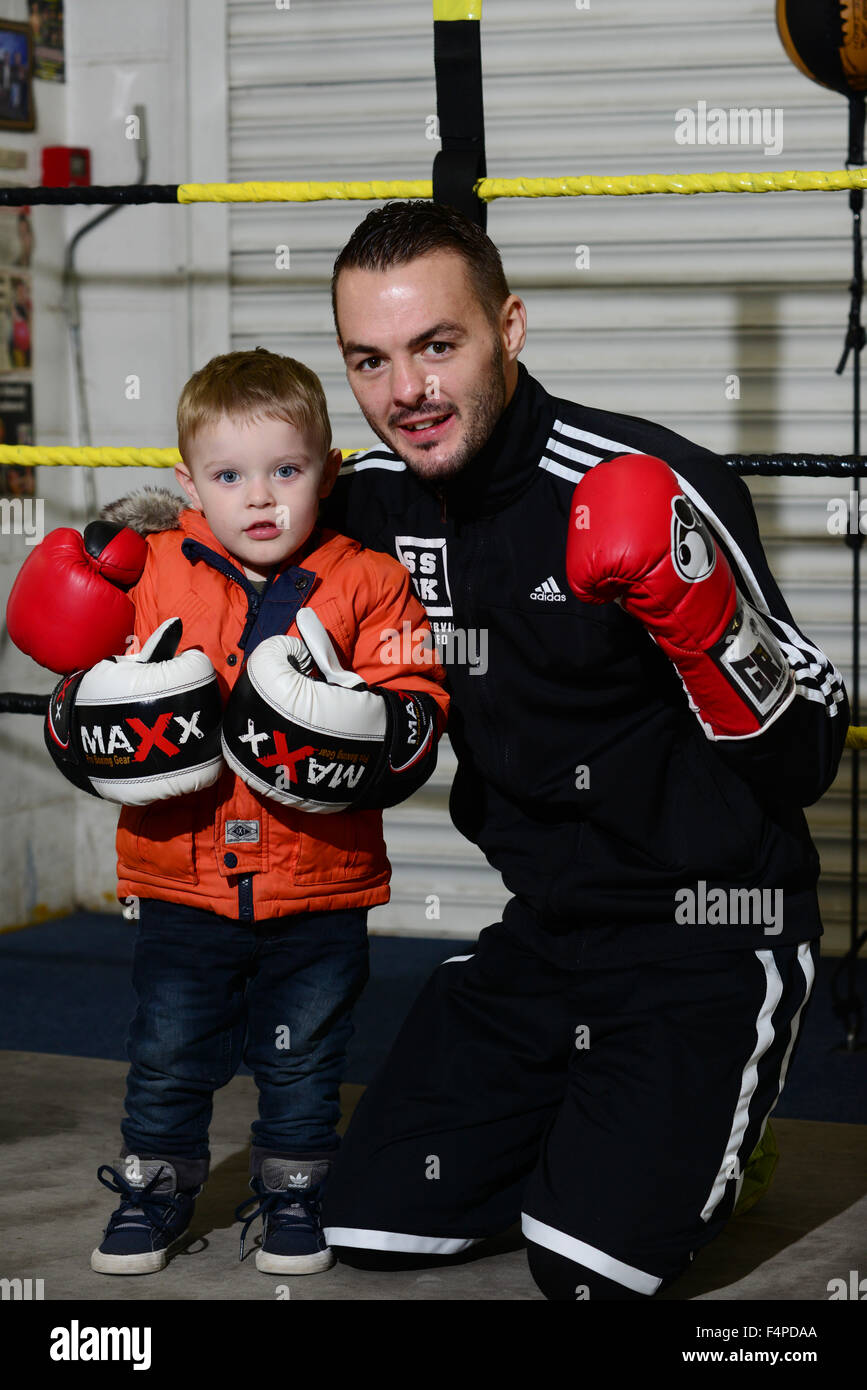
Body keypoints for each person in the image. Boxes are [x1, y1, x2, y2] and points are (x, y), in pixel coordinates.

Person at [317, 200, 850, 1300]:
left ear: (510, 327)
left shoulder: (649, 477)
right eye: (369, 360)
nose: (405, 392)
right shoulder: (370, 501)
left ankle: (717, 1139)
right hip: (546, 938)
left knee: (590, 1277)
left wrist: (704, 623)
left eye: (437, 345)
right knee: (369, 1220)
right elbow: (232, 529)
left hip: (709, 931)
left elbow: (811, 748)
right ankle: (601, 1109)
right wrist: (122, 568)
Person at [6, 348, 448, 1277]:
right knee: (167, 1053)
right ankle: (152, 1192)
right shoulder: (153, 572)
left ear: (327, 474)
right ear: (188, 484)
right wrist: (87, 719)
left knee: (305, 1061)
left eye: (286, 471)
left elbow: (417, 703)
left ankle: (293, 1198)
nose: (261, 498)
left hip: (320, 888)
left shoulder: (371, 580)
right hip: (179, 883)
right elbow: (83, 697)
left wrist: (369, 724)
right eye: (230, 475)